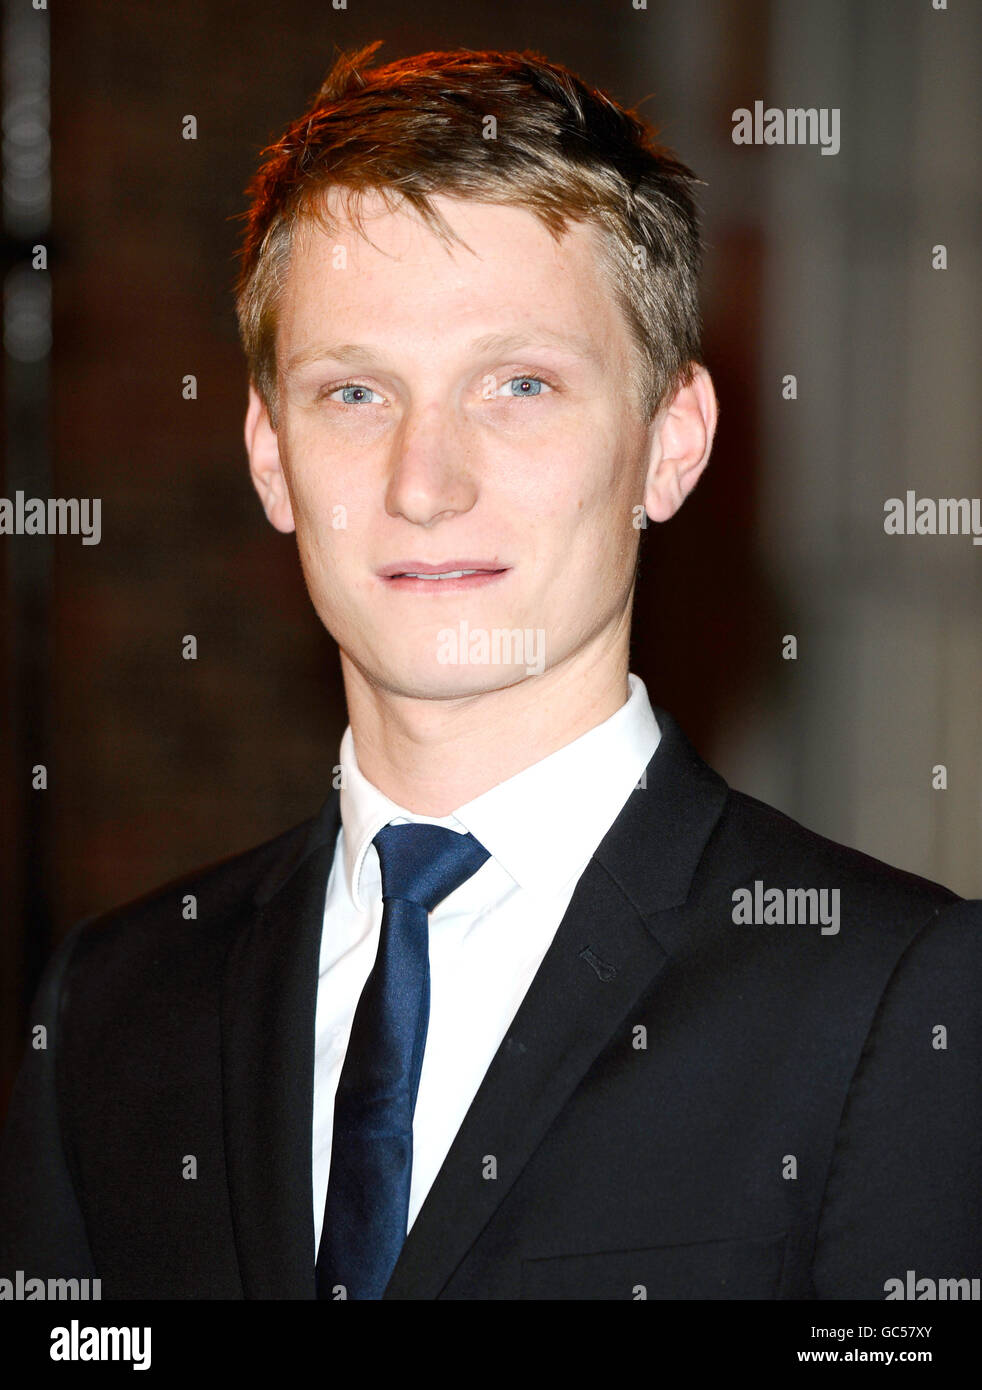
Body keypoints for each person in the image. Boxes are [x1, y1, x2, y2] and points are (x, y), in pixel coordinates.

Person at [1, 43, 980, 1302]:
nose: (424, 482)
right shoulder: (116, 1003)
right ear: (267, 453)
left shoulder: (889, 998)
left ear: (669, 444)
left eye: (518, 385)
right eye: (354, 392)